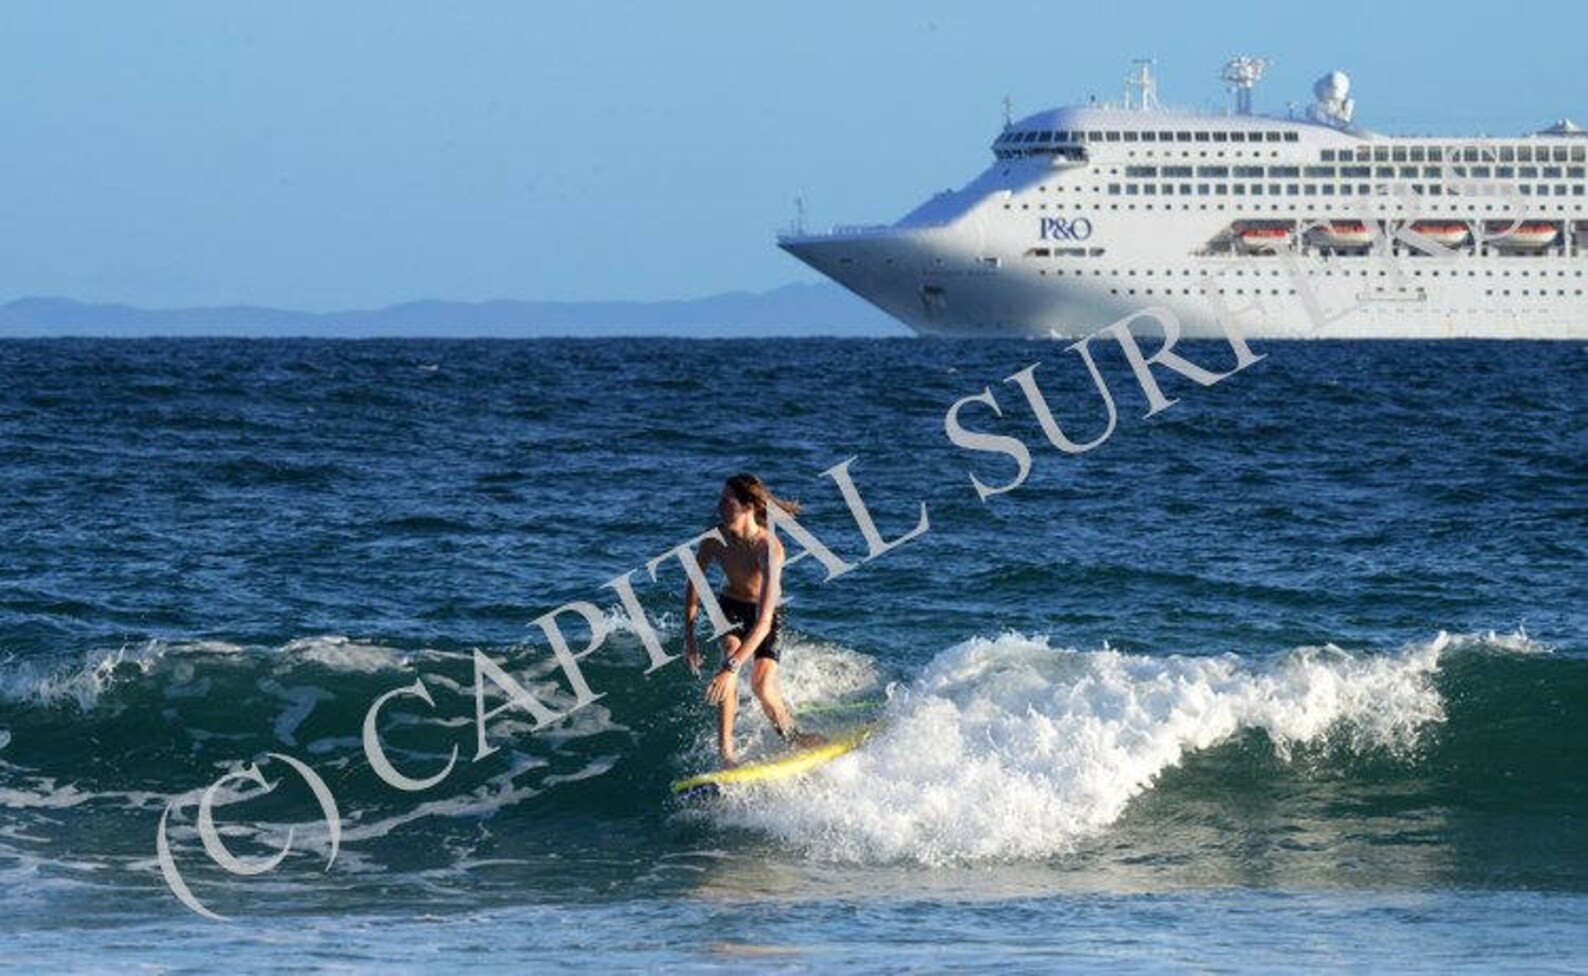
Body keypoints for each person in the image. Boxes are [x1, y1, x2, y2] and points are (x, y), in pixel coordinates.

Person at [683, 473, 818, 765]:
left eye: (726, 501)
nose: (719, 507)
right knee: (730, 654)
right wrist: (689, 636)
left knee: (762, 686)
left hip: (764, 614)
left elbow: (764, 621)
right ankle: (726, 755)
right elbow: (694, 584)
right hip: (729, 605)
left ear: (748, 507)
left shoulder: (769, 549)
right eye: (720, 500)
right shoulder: (713, 540)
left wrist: (732, 669)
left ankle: (793, 738)